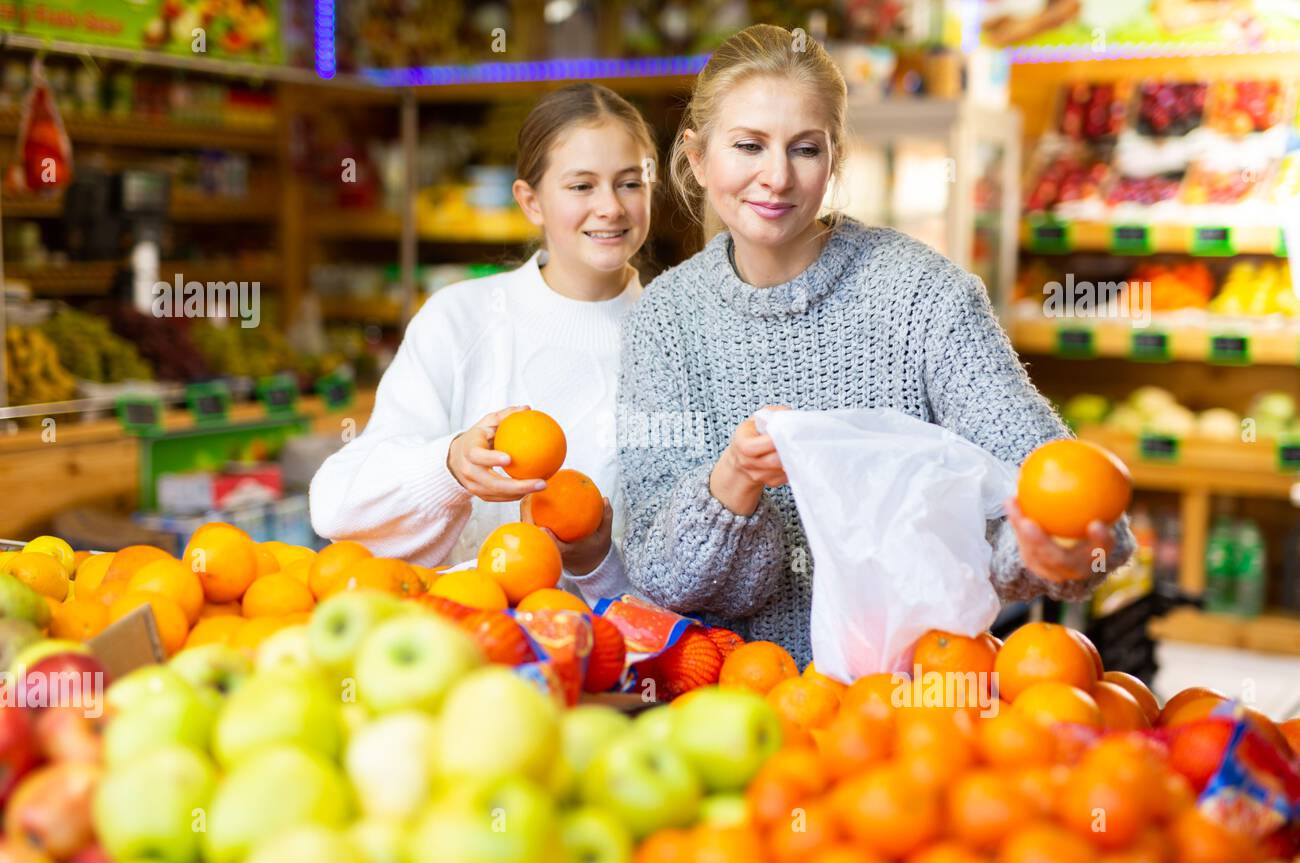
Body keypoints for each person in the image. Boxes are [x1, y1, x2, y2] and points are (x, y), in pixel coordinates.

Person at [616, 25, 1134, 668]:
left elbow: (1053, 493)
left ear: (835, 158)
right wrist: (734, 479)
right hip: (729, 694)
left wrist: (1049, 552)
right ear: (697, 158)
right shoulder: (664, 321)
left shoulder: (926, 297)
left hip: (911, 707)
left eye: (805, 149)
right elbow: (659, 571)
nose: (775, 177)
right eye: (748, 145)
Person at [310, 83, 657, 603]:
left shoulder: (678, 337)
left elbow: (693, 579)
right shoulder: (458, 320)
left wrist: (596, 565)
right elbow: (337, 508)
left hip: (610, 669)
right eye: (581, 186)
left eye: (629, 183)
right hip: (456, 649)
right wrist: (449, 466)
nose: (609, 207)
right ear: (531, 202)